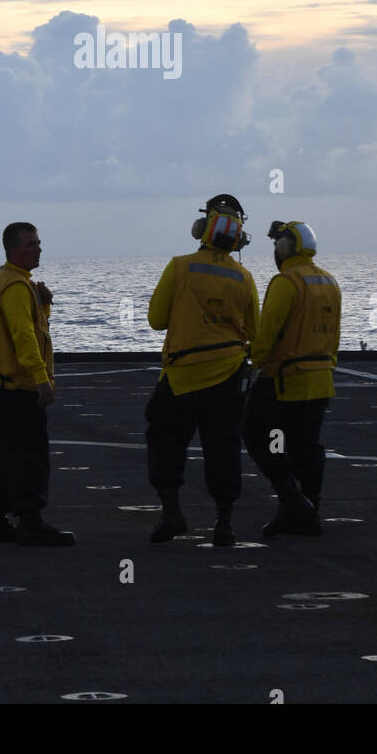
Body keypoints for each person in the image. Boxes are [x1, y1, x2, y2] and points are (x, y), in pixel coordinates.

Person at [145, 194, 259, 547]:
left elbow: (156, 320)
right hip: (228, 376)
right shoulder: (244, 277)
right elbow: (255, 333)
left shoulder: (180, 266)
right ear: (238, 237)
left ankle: (172, 511)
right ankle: (224, 523)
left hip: (182, 377)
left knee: (165, 439)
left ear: (201, 229)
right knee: (223, 447)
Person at [0, 222, 75, 546]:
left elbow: (26, 325)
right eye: (31, 244)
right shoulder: (16, 287)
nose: (38, 249)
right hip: (19, 385)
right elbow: (24, 336)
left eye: (38, 243)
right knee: (30, 455)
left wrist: (43, 303)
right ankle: (30, 521)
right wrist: (42, 379)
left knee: (7, 454)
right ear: (12, 250)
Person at [242, 220, 341, 537]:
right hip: (321, 379)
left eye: (276, 244)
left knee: (258, 436)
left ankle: (291, 497)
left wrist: (253, 363)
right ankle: (307, 511)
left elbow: (267, 330)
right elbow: (335, 336)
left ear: (286, 247)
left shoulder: (286, 282)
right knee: (306, 447)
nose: (275, 250)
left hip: (284, 380)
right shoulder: (328, 281)